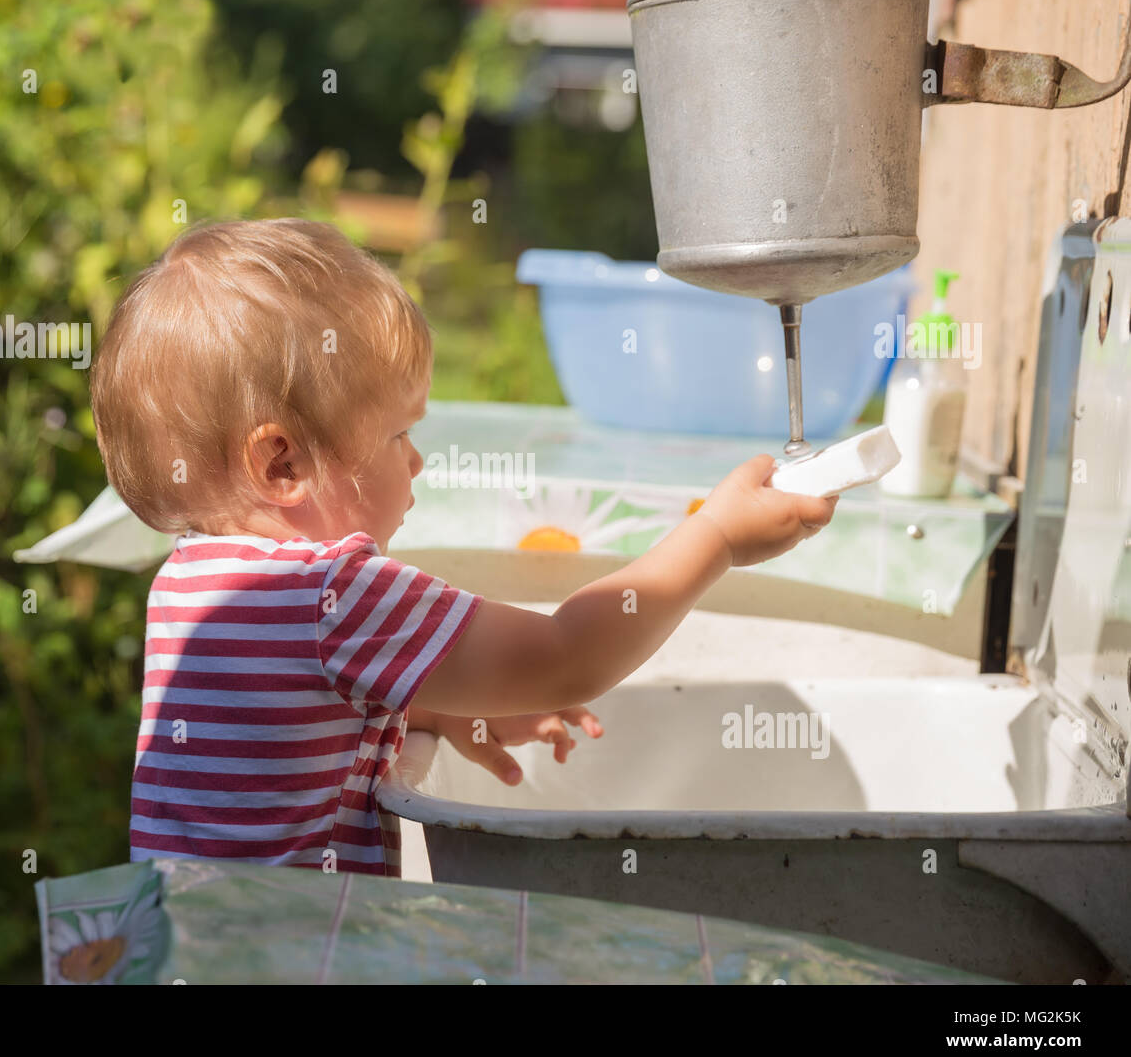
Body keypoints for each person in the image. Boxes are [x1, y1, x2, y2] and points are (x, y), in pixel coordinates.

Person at [90, 219, 838, 877]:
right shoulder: (334, 591)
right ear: (282, 464)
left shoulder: (187, 583)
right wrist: (716, 536)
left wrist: (439, 709)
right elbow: (564, 656)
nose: (415, 461)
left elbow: (277, 742)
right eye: (398, 434)